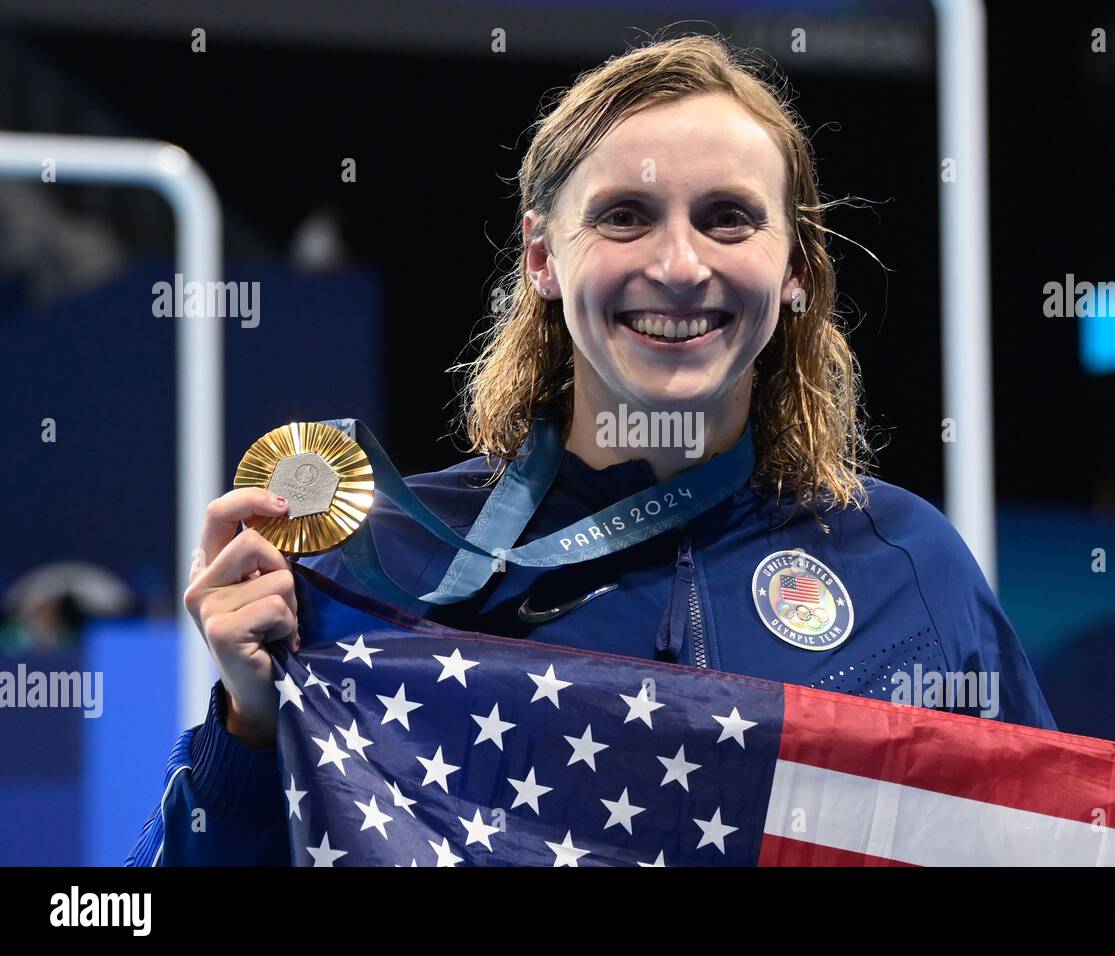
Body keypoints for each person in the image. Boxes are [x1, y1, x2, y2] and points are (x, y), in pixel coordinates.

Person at [126, 34, 1055, 867]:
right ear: (542, 257)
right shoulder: (386, 572)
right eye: (624, 216)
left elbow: (1057, 852)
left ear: (795, 268)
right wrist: (248, 739)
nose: (680, 265)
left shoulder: (908, 569)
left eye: (729, 217)